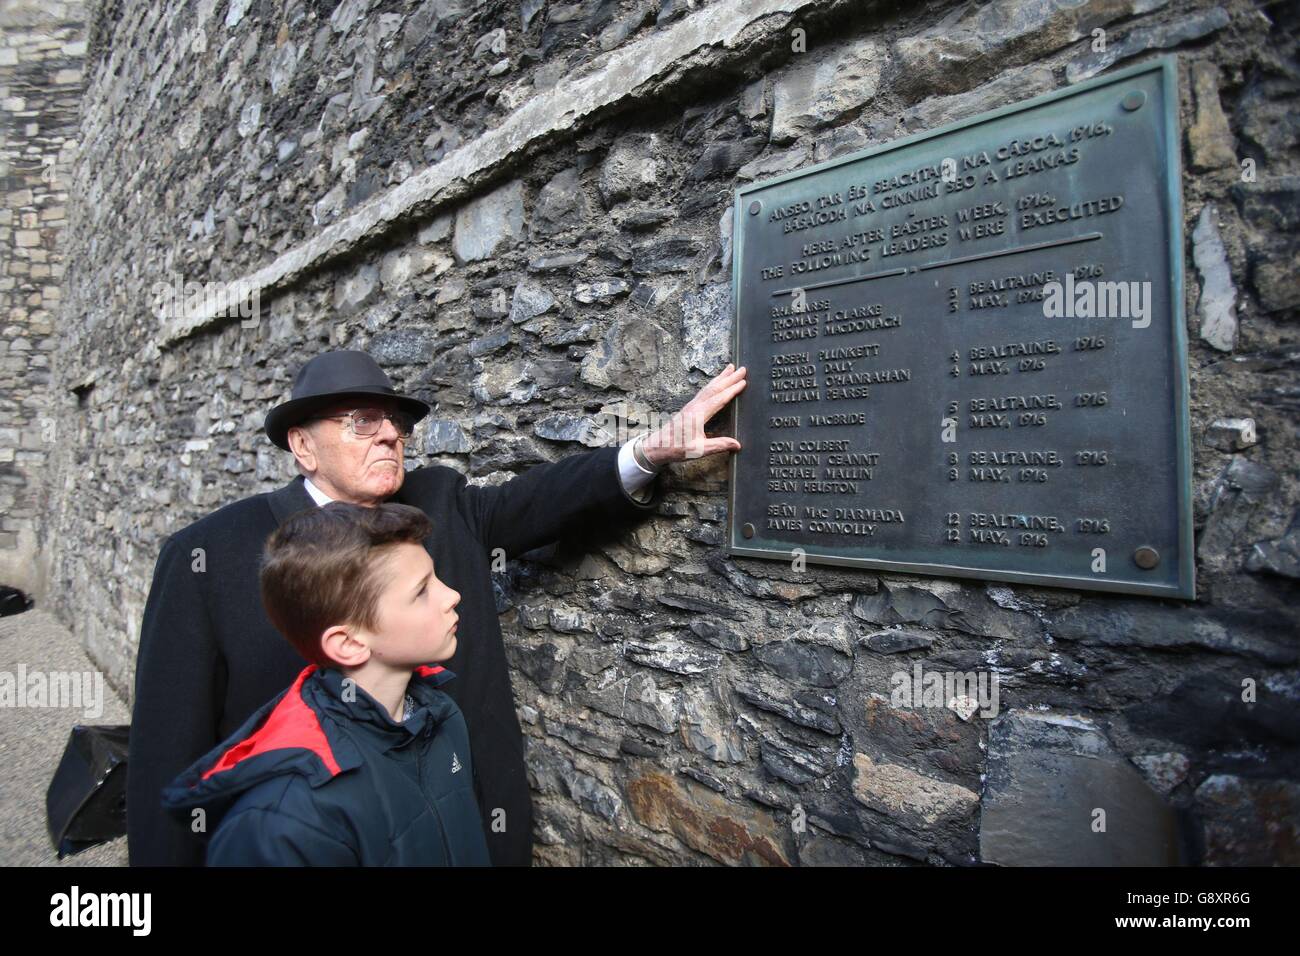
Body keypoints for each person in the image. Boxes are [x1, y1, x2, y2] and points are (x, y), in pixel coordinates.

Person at [128, 349, 747, 866]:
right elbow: (169, 748)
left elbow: (540, 500)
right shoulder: (207, 556)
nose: (391, 434)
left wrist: (650, 451)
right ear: (302, 445)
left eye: (396, 422)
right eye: (361, 421)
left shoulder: (441, 501)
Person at [162, 501, 489, 865]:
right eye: (421, 591)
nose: (452, 596)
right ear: (348, 643)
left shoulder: (441, 719)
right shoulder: (282, 822)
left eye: (435, 576)